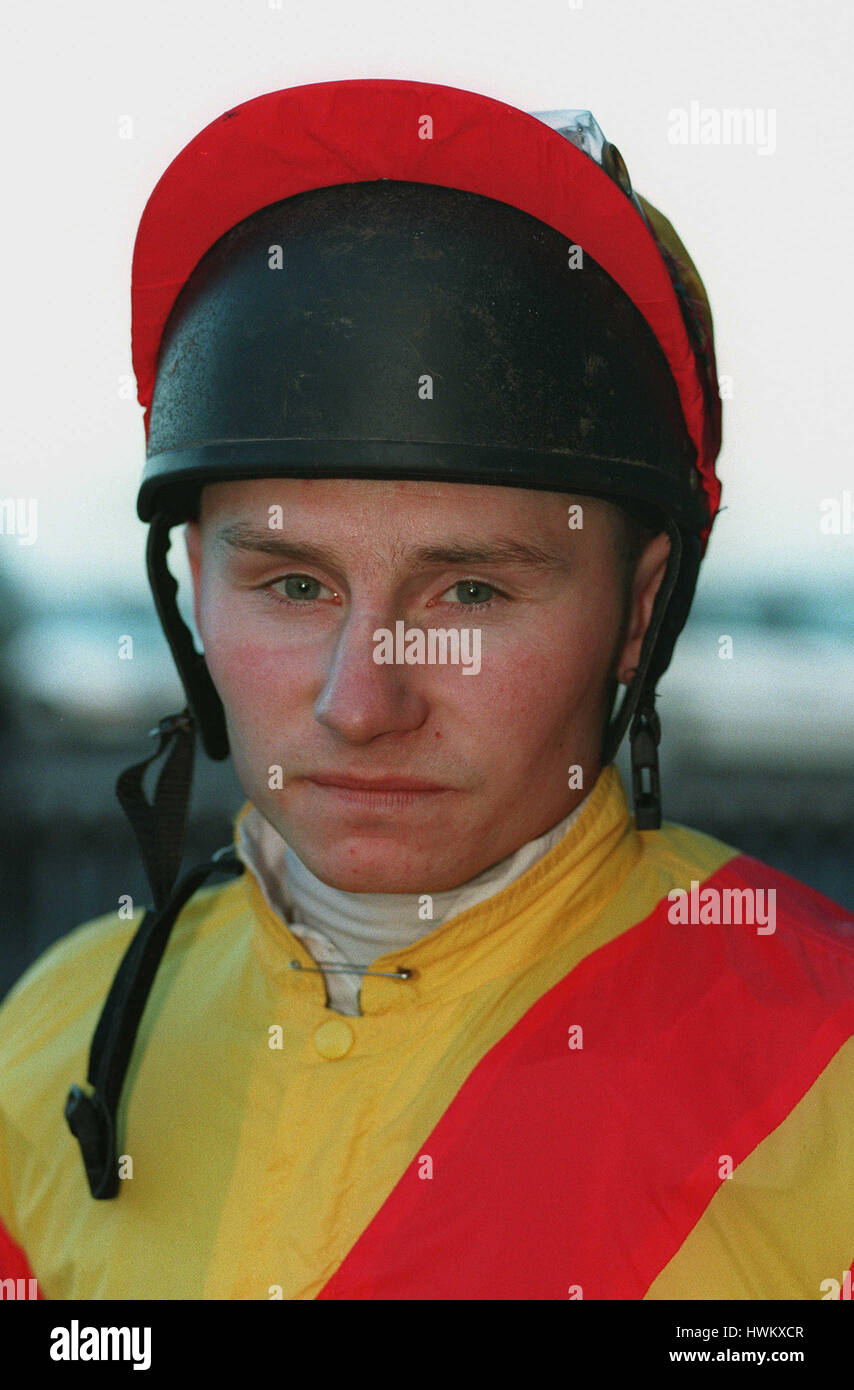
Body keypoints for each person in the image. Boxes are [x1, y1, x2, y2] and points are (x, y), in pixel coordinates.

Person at [0, 78, 851, 1302]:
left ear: (639, 608)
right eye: (292, 586)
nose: (361, 702)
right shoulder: (55, 1042)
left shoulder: (829, 1075)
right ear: (192, 582)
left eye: (469, 595)